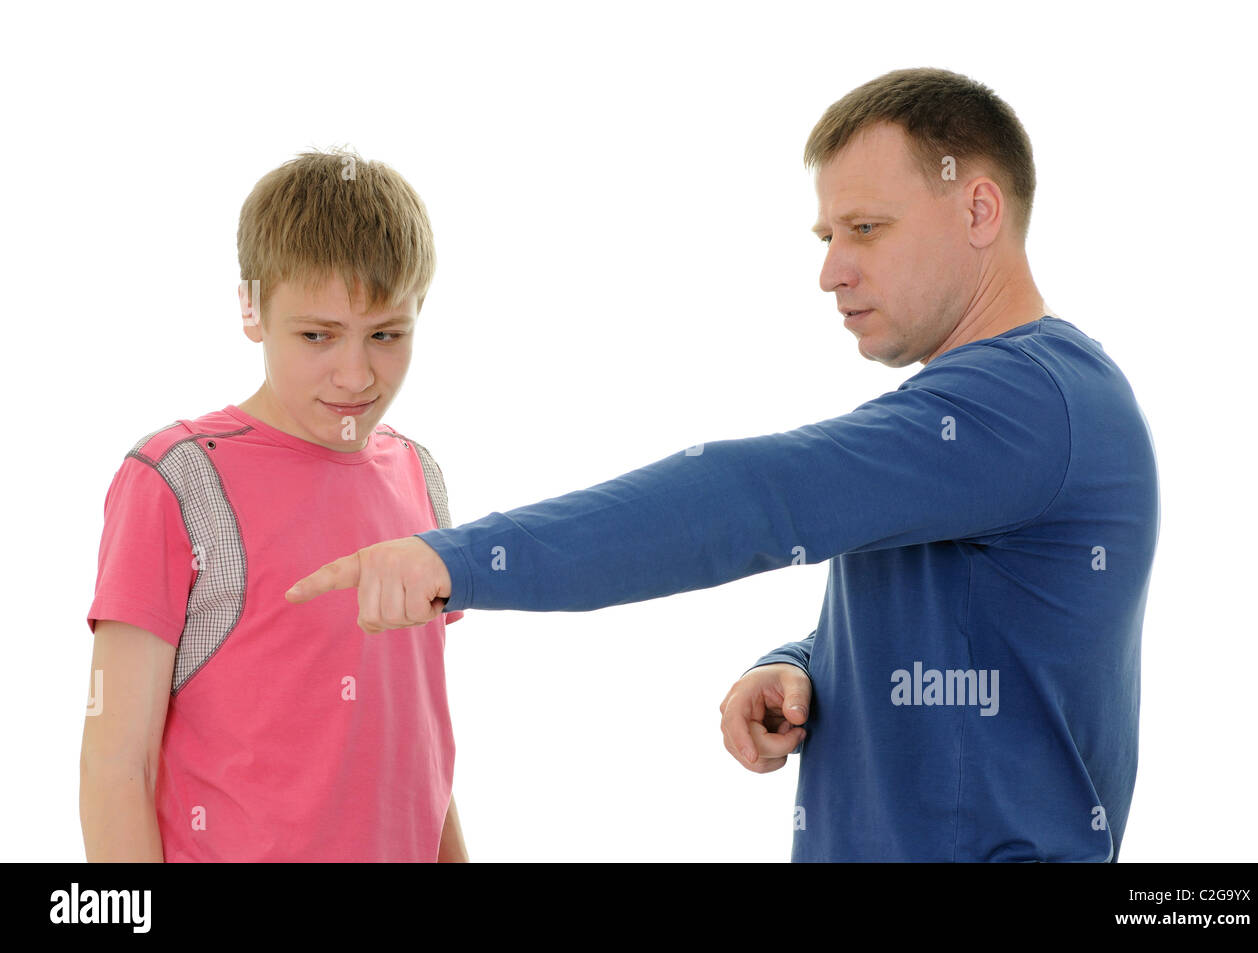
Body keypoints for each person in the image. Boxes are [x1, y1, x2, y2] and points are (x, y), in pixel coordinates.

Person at [288, 67, 1161, 862]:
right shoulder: (997, 409)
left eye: (866, 228)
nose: (831, 270)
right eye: (827, 233)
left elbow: (754, 497)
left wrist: (459, 558)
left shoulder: (1027, 402)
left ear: (978, 210)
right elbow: (979, 626)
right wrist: (805, 666)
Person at [81, 149, 469, 861]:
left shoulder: (421, 475)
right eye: (317, 335)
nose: (355, 374)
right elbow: (115, 768)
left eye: (386, 334)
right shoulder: (176, 479)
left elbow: (416, 739)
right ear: (252, 309)